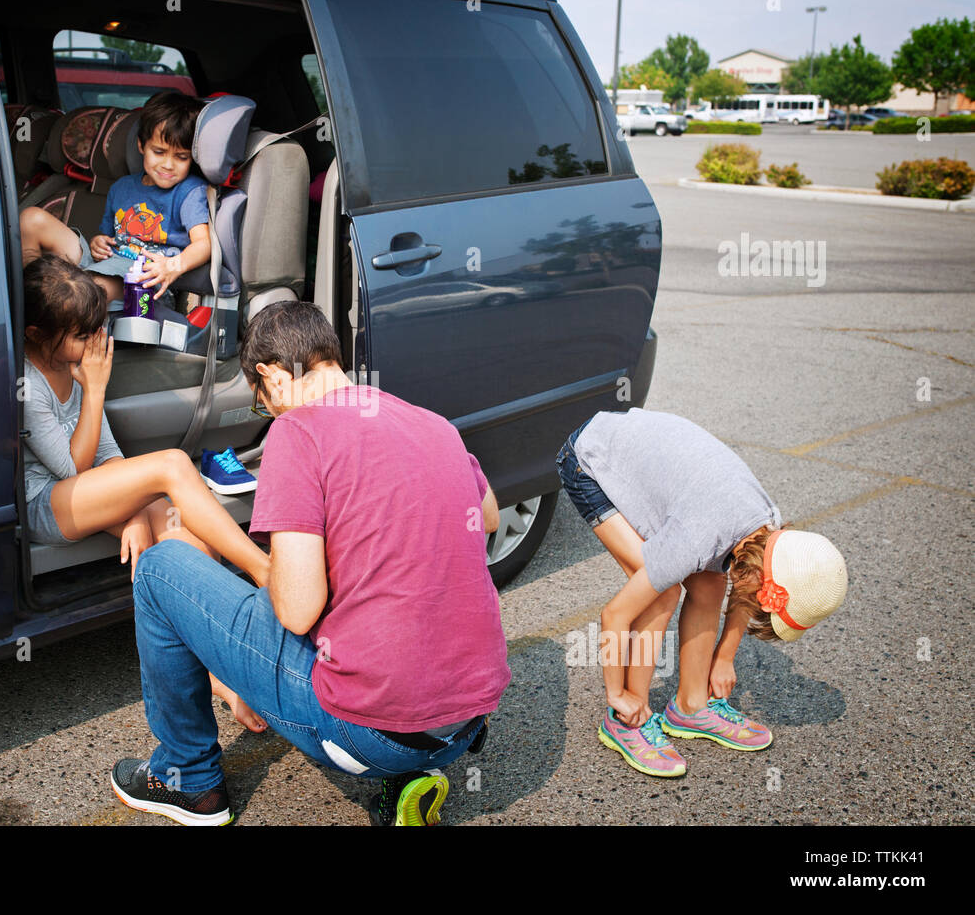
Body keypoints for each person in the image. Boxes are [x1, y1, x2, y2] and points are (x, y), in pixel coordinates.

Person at [110, 301, 511, 826]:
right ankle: (404, 786)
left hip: (369, 735)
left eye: (262, 405)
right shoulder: (431, 422)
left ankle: (190, 780)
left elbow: (298, 612)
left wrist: (240, 648)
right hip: (463, 726)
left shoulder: (297, 432)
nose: (270, 415)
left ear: (272, 376)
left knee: (163, 569)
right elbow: (487, 518)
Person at [21, 252, 268, 729]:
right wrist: (94, 391)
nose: (96, 342)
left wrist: (133, 512)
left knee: (175, 520)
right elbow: (71, 468)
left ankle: (218, 671)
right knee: (173, 465)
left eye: (97, 329)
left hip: (85, 495)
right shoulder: (30, 383)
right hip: (47, 503)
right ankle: (260, 568)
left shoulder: (72, 362)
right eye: (81, 335)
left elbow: (110, 457)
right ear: (36, 334)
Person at [556, 408, 848, 777]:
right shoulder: (697, 538)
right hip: (591, 458)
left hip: (663, 470)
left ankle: (691, 706)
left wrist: (724, 658)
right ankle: (626, 720)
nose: (759, 605)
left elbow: (747, 587)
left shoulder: (767, 528)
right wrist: (616, 693)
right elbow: (615, 615)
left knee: (710, 584)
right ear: (759, 580)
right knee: (660, 593)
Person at [19, 90, 211, 306]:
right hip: (108, 264)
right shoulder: (121, 188)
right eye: (159, 152)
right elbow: (108, 237)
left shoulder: (190, 191)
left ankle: (49, 306)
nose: (168, 164)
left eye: (181, 157)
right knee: (31, 219)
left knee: (78, 290)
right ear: (141, 145)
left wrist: (173, 265)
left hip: (146, 279)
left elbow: (204, 243)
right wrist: (97, 242)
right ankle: (29, 298)